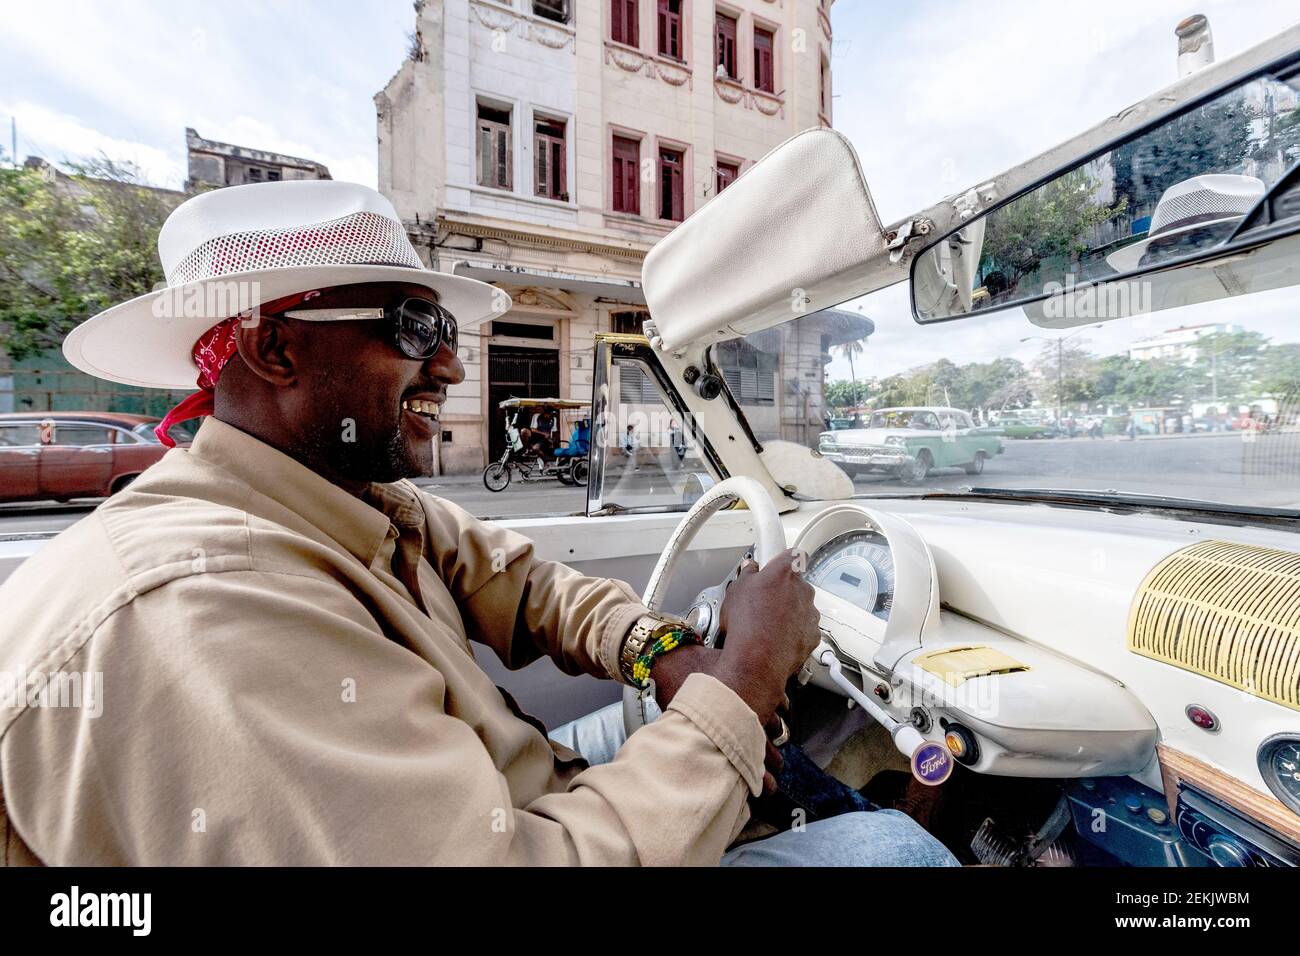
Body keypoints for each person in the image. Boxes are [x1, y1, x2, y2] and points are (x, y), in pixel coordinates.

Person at [0, 180, 955, 867]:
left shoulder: (348, 496)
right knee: (895, 850)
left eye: (448, 336)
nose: (452, 370)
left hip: (514, 794)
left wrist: (661, 650)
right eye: (415, 329)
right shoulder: (205, 608)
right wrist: (743, 681)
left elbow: (526, 586)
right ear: (275, 347)